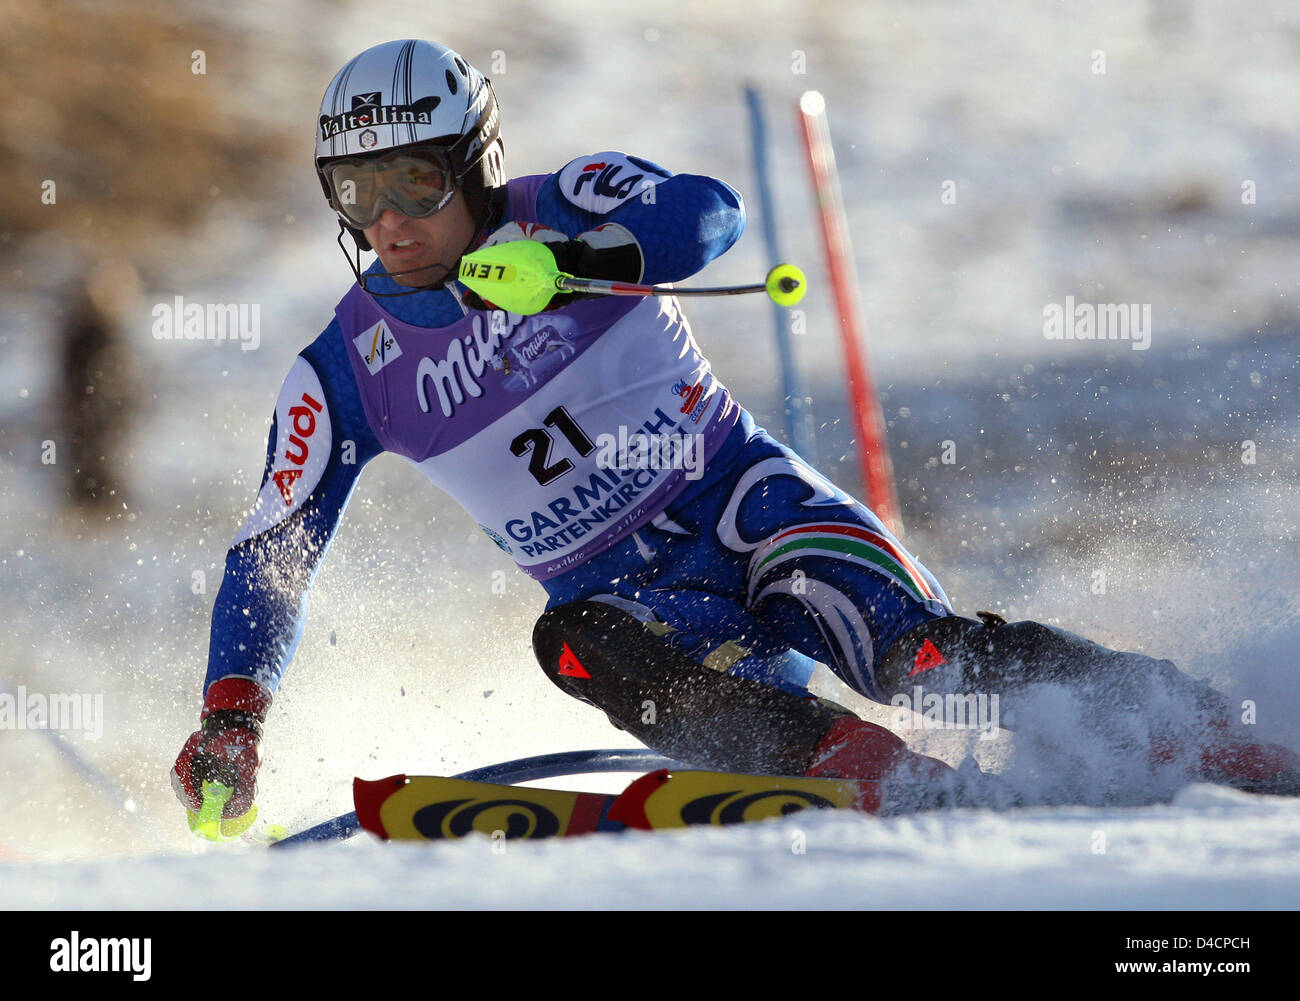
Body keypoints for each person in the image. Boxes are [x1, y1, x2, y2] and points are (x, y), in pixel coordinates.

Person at [172, 39, 1299, 832]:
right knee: (572, 639)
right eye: (356, 192)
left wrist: (590, 261)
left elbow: (706, 214)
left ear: (475, 161)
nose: (391, 222)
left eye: (415, 180)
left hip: (749, 506)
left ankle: (1191, 725)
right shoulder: (342, 370)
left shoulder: (563, 204)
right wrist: (233, 718)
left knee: (914, 654)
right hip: (649, 604)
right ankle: (850, 765)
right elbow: (272, 547)